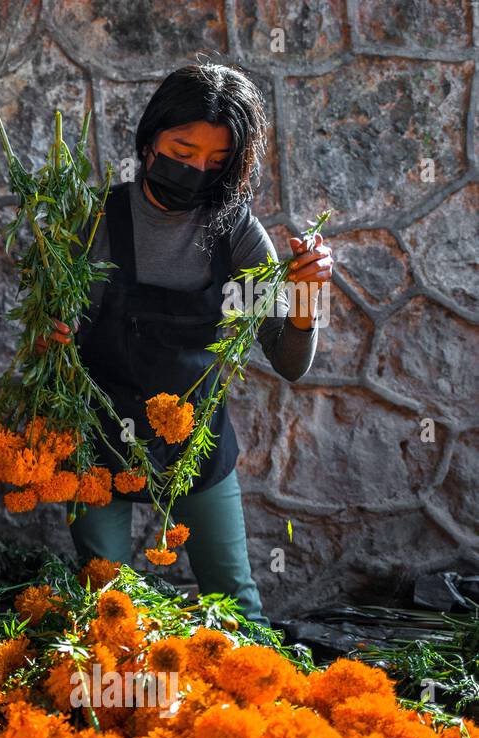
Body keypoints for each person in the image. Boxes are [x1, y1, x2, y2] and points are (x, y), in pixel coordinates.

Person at [36, 63, 335, 627]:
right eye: (183, 149)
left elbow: (290, 361)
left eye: (216, 162)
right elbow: (54, 335)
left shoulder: (238, 233)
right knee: (105, 605)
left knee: (237, 604)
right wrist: (52, 338)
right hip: (100, 440)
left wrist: (303, 298)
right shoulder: (96, 221)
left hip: (196, 447)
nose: (196, 169)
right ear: (150, 141)